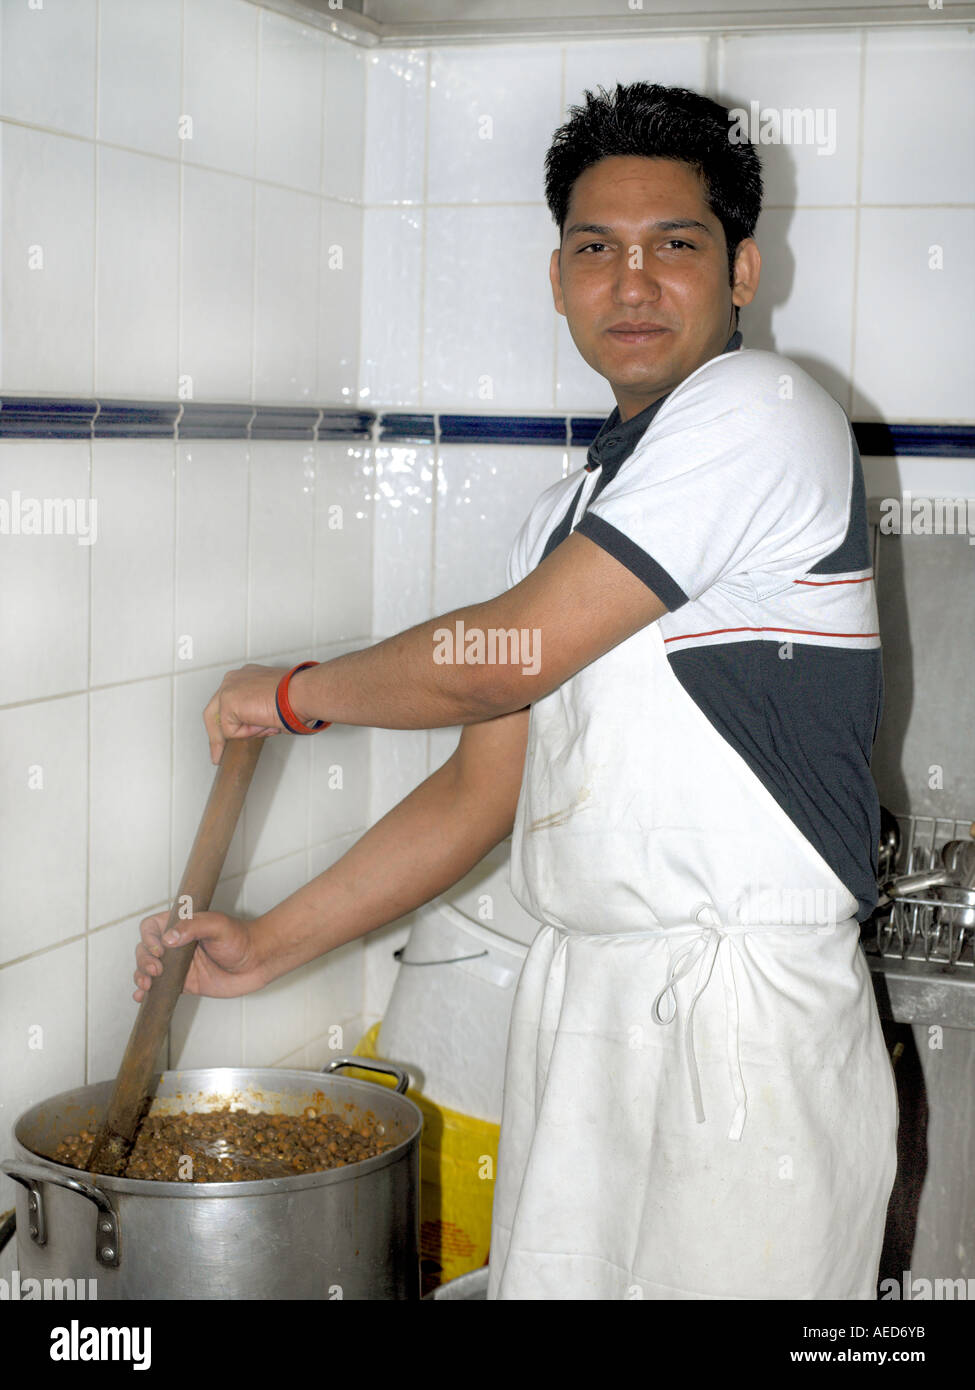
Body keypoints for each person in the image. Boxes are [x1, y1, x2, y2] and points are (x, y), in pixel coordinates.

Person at [135, 82, 898, 1300]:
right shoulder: (567, 513)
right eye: (597, 249)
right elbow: (484, 788)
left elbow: (510, 654)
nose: (632, 282)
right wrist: (270, 943)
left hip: (740, 1026)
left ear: (743, 269)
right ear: (558, 279)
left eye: (676, 246)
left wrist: (296, 694)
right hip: (585, 1007)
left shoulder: (764, 412)